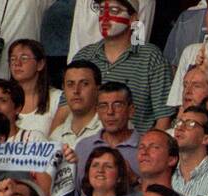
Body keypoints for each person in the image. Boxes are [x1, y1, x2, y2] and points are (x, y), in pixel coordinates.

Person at [73, 0, 174, 134]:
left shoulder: (151, 57)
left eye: (114, 11)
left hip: (133, 148)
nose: (105, 18)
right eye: (102, 11)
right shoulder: (84, 56)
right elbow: (64, 110)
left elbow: (164, 118)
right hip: (86, 146)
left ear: (133, 19)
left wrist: (147, 150)